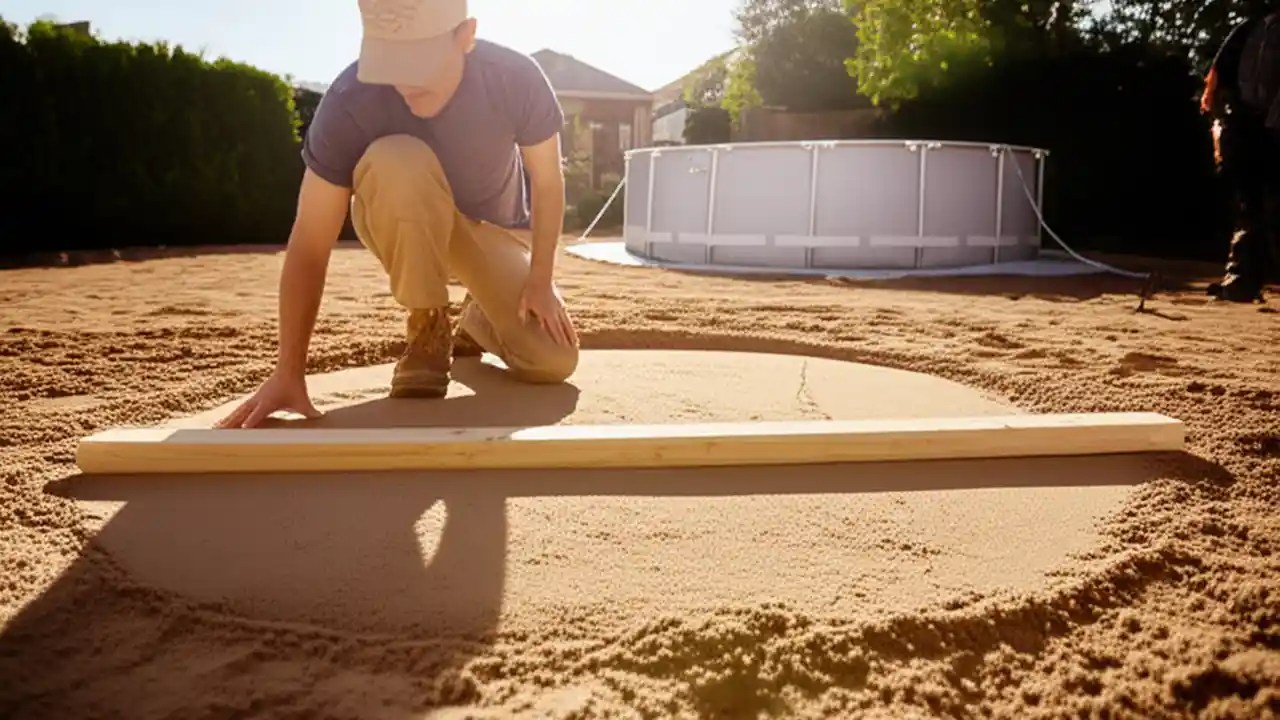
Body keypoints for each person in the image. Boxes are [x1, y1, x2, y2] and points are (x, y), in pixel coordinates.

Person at [218, 0, 579, 429]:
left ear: (466, 36)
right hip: (403, 215)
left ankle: (477, 319)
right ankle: (427, 324)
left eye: (418, 60)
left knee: (552, 360)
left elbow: (548, 181)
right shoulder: (350, 100)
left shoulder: (514, 77)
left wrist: (540, 281)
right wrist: (288, 371)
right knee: (397, 158)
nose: (403, 81)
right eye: (391, 61)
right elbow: (310, 242)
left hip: (488, 236)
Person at [1202, 7, 1280, 303]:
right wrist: (1225, 120)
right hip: (1249, 126)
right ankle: (1242, 278)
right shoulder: (1250, 29)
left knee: (1274, 206)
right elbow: (1220, 75)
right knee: (1249, 205)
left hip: (1275, 130)